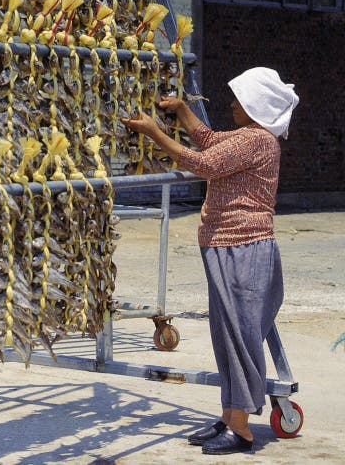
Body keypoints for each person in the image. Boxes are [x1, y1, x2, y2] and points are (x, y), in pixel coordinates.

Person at [122, 67, 299, 456]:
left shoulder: (257, 141)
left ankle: (242, 431)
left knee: (240, 338)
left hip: (244, 249)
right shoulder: (246, 137)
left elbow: (201, 163)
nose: (232, 105)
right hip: (227, 248)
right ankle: (228, 417)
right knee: (227, 336)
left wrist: (155, 132)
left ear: (254, 107)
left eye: (238, 100)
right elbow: (208, 140)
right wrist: (183, 110)